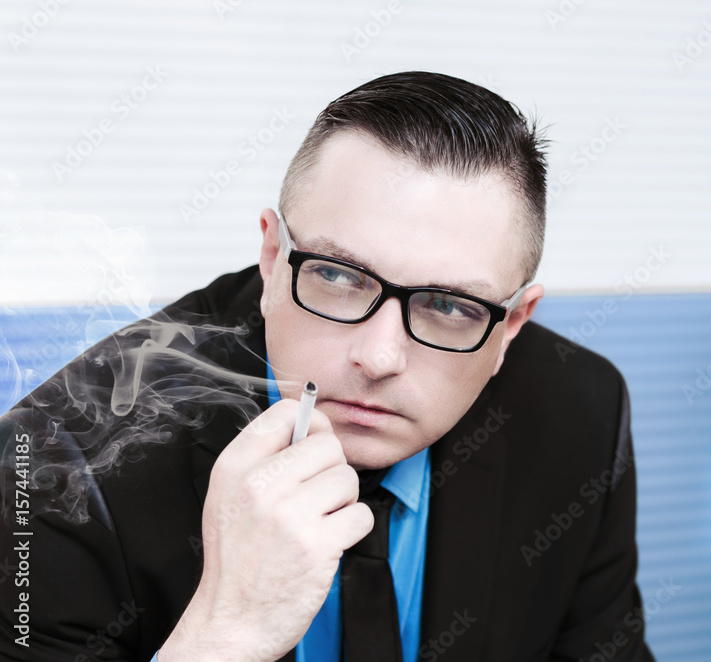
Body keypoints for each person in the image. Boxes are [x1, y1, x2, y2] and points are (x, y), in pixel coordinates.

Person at [0, 71, 654, 662]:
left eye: (449, 305)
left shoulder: (580, 414)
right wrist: (229, 633)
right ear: (270, 255)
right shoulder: (55, 471)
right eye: (339, 275)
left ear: (512, 323)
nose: (378, 357)